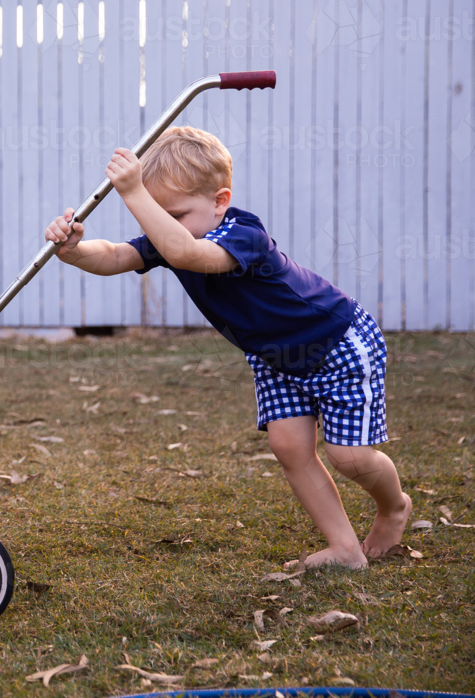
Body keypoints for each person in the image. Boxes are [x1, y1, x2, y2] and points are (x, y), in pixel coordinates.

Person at [44, 126, 411, 569]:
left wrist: (136, 193)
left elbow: (189, 254)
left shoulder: (243, 234)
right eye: (156, 216)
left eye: (173, 214)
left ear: (220, 201)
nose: (160, 227)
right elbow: (118, 255)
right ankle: (345, 549)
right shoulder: (173, 235)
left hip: (334, 340)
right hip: (276, 357)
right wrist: (75, 251)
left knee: (349, 456)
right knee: (290, 447)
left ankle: (393, 508)